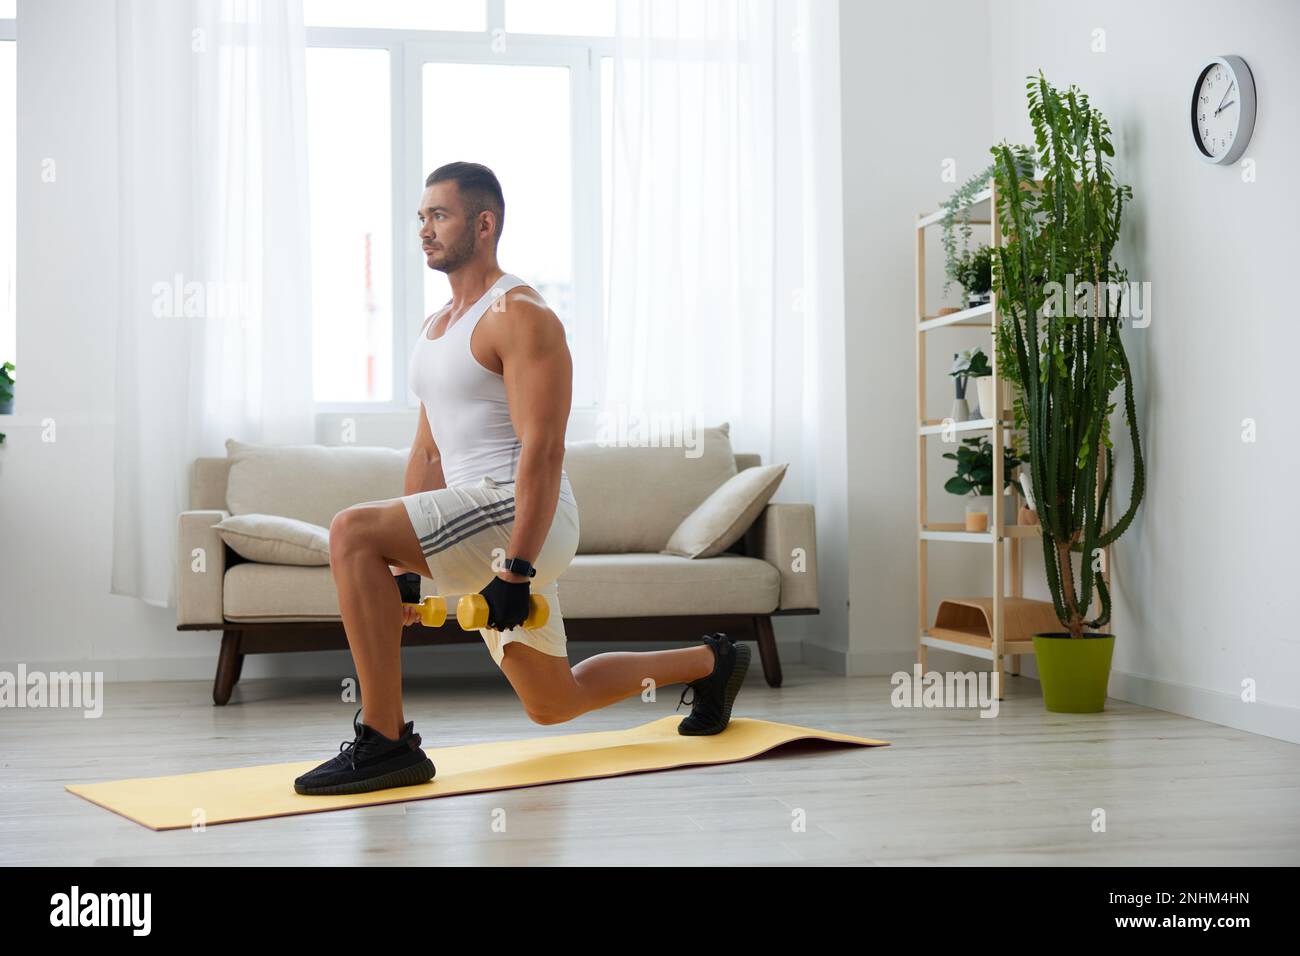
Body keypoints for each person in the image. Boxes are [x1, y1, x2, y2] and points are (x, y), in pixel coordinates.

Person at [294, 162, 750, 796]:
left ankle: (386, 741)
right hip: (480, 519)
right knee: (553, 700)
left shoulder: (521, 314)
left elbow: (544, 449)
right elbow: (428, 453)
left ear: (485, 224)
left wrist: (518, 568)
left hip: (520, 515)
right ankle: (711, 661)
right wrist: (404, 571)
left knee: (351, 531)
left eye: (440, 215)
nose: (425, 230)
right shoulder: (436, 328)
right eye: (420, 217)